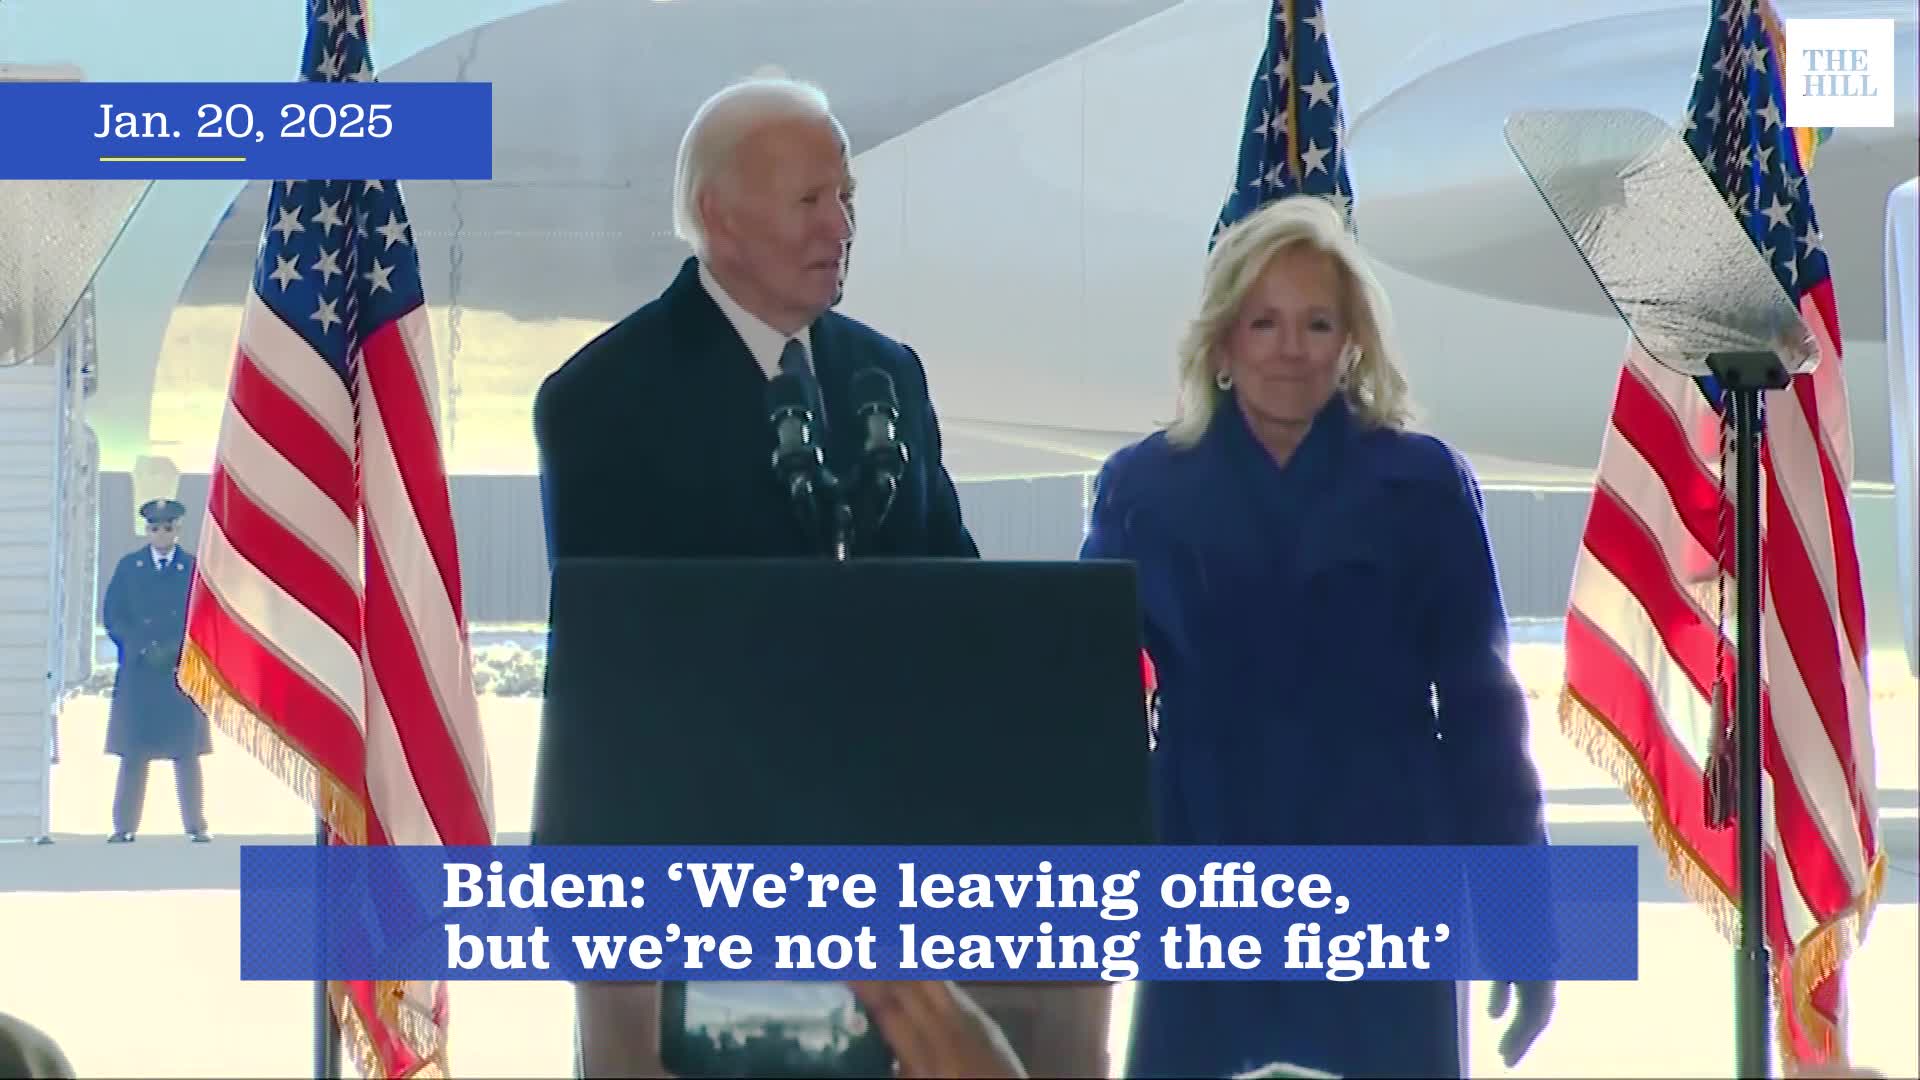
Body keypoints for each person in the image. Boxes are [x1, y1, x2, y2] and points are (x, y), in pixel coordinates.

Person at [534, 75, 1109, 1077]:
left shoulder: (885, 373)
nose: (841, 225)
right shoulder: (602, 398)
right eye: (812, 201)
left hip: (899, 875)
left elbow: (952, 592)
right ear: (718, 214)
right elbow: (617, 667)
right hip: (698, 887)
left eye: (846, 199)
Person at [1079, 195, 1554, 1079]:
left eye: (1316, 323)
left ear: (1352, 343)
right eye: (1263, 322)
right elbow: (1090, 711)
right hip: (1207, 879)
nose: (1290, 348)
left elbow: (1488, 719)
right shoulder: (1143, 490)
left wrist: (1521, 923)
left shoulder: (1425, 486)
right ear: (1222, 344)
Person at [100, 498, 211, 844]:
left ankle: (196, 825)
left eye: (168, 528)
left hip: (178, 671)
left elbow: (203, 615)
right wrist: (140, 647)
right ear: (146, 531)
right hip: (140, 671)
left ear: (178, 530)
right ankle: (124, 826)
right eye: (154, 528)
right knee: (134, 753)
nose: (161, 534)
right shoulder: (130, 567)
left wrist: (177, 650)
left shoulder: (192, 568)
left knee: (186, 752)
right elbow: (114, 615)